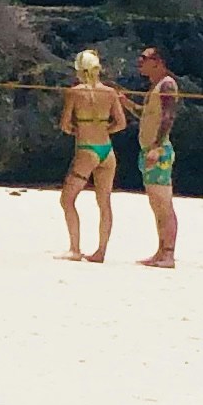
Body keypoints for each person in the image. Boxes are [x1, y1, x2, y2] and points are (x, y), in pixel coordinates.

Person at [55, 48, 128, 262]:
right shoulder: (110, 92)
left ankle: (75, 248)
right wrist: (104, 130)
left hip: (86, 149)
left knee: (67, 199)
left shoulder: (75, 92)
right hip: (107, 149)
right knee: (104, 202)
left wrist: (79, 130)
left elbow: (65, 124)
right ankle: (101, 251)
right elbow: (121, 123)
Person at [134, 45, 183, 270]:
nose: (139, 62)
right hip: (149, 150)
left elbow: (168, 116)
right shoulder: (155, 87)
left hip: (159, 151)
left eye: (144, 58)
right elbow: (147, 116)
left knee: (164, 204)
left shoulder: (167, 84)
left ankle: (169, 253)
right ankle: (160, 250)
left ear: (158, 61)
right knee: (156, 204)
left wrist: (157, 146)